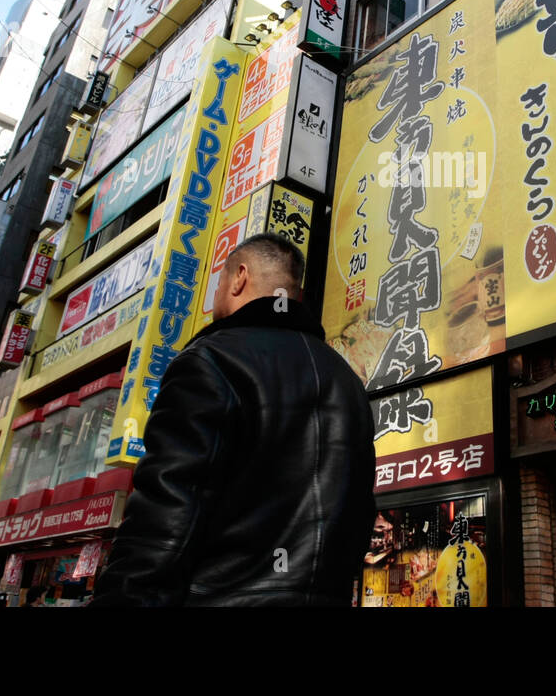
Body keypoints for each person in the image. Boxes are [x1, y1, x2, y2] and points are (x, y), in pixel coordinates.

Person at [92, 234, 375, 606]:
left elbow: (165, 516)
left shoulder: (212, 362)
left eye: (220, 283)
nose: (217, 294)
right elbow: (357, 521)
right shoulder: (348, 383)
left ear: (239, 278)